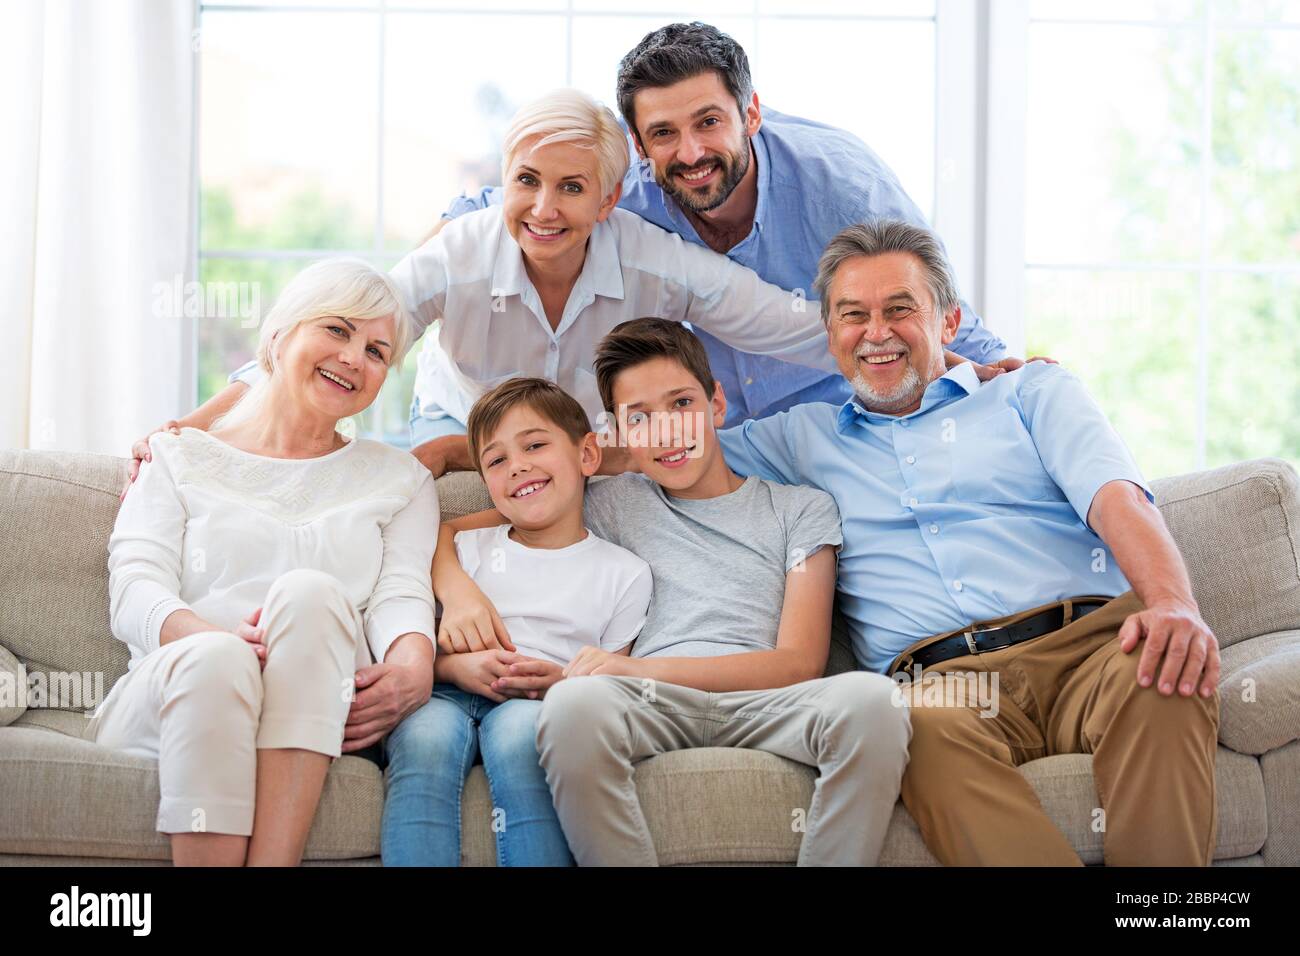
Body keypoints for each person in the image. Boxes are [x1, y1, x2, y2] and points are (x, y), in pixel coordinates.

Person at [717, 220, 1221, 866]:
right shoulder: (799, 440)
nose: (876, 332)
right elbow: (665, 454)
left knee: (1166, 677)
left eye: (901, 310)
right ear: (830, 333)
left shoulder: (1031, 392)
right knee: (912, 726)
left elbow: (1116, 497)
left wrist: (1173, 603)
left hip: (1092, 645)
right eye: (854, 316)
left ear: (948, 322)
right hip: (939, 683)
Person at [128, 87, 846, 483]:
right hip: (461, 421)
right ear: (502, 183)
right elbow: (335, 341)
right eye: (526, 182)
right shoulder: (460, 255)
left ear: (607, 201)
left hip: (586, 444)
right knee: (429, 481)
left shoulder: (657, 261)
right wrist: (194, 428)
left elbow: (788, 323)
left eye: (571, 188)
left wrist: (926, 356)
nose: (542, 209)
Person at [438, 318, 910, 866]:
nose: (664, 432)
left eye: (680, 404)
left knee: (875, 701)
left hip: (764, 702)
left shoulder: (801, 510)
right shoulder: (608, 500)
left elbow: (800, 661)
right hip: (649, 707)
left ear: (716, 404)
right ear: (618, 434)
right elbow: (460, 525)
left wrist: (637, 672)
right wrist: (459, 590)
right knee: (571, 705)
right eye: (640, 418)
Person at [438, 21, 1010, 427]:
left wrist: (1012, 386)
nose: (690, 153)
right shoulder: (616, 191)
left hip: (845, 420)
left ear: (751, 113)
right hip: (722, 441)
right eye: (663, 133)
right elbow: (481, 213)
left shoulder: (844, 187)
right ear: (638, 144)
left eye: (708, 122)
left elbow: (934, 307)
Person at [91, 259, 439, 866]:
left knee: (311, 593)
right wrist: (223, 643)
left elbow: (402, 595)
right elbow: (135, 589)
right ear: (278, 338)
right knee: (218, 659)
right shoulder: (177, 457)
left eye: (378, 351)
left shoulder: (401, 479)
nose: (355, 357)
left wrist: (415, 667)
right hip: (177, 689)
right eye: (337, 330)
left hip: (316, 703)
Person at [382, 378, 652, 866]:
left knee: (523, 743)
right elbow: (421, 643)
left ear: (587, 455)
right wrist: (454, 669)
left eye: (534, 445)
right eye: (497, 460)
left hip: (536, 699)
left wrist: (562, 682)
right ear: (485, 483)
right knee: (422, 744)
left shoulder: (625, 574)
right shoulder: (467, 550)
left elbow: (613, 680)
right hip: (446, 690)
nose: (518, 465)